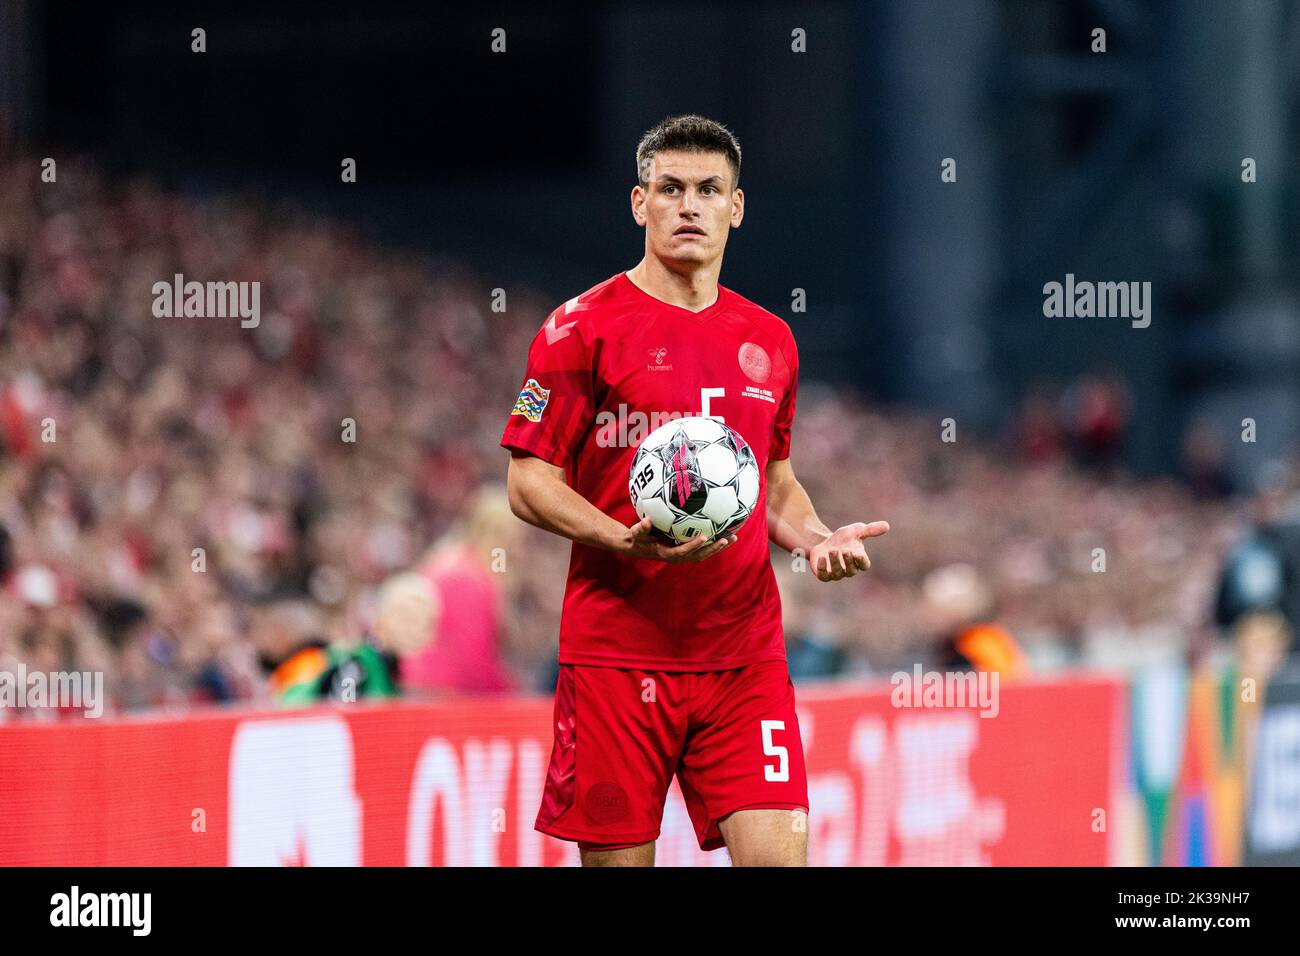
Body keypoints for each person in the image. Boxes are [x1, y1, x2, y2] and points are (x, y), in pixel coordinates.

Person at [500, 115, 890, 867]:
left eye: (709, 190)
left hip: (743, 656)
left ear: (735, 207)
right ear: (638, 202)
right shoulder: (578, 330)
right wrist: (621, 538)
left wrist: (813, 538)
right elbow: (527, 481)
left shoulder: (770, 339)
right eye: (670, 188)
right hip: (616, 655)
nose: (689, 206)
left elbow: (775, 483)